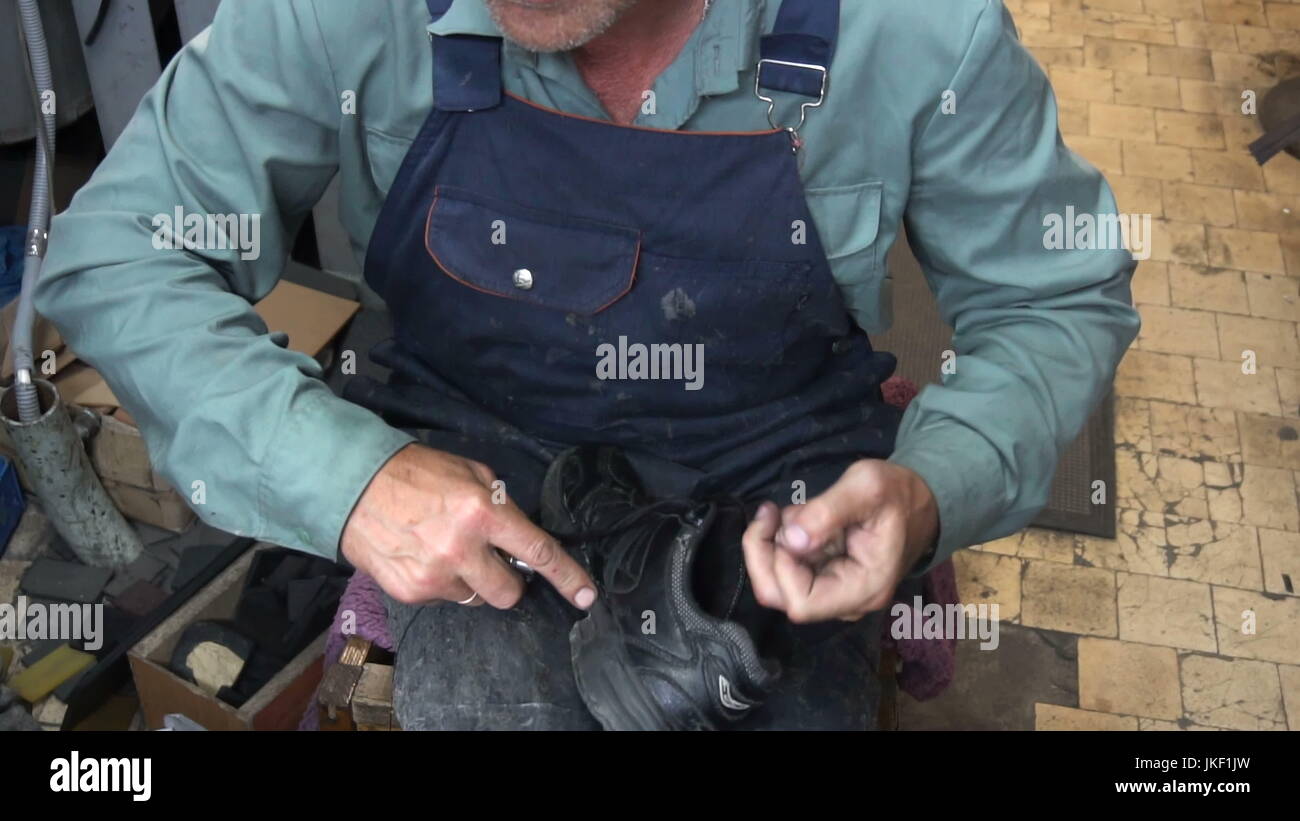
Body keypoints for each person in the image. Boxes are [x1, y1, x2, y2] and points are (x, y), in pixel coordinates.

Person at [35, 0, 1139, 730]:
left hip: (780, 493)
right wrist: (347, 479)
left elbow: (1058, 294)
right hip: (473, 472)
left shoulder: (915, 31)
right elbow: (118, 251)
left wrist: (933, 484)